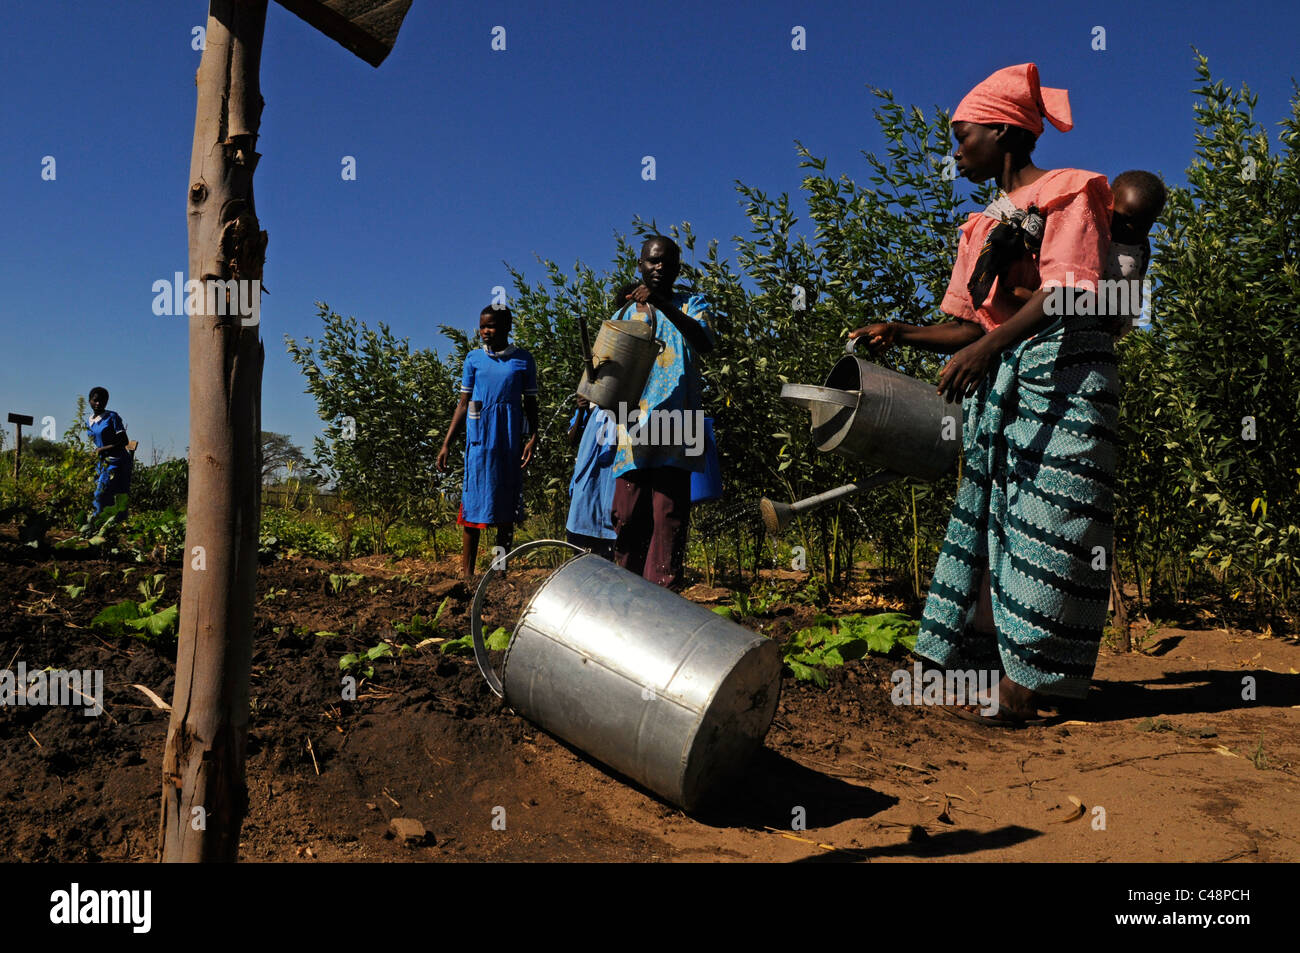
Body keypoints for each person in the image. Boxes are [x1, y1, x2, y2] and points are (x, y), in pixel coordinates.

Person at [851, 63, 1116, 724]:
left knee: (1054, 523)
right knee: (991, 520)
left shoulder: (1068, 192)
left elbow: (1068, 292)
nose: (956, 150)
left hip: (1066, 379)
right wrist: (904, 331)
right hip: (1008, 384)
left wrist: (986, 348)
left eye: (962, 135)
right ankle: (970, 659)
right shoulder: (981, 225)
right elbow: (971, 324)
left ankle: (1035, 682)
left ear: (1002, 131)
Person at [609, 236, 715, 589]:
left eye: (667, 263)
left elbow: (704, 342)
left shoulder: (692, 305)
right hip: (634, 423)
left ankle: (663, 597)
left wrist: (662, 305)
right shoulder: (624, 313)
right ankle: (625, 592)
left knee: (667, 514)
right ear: (640, 265)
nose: (659, 268)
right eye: (652, 262)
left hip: (678, 423)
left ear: (677, 269)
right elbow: (606, 367)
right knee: (627, 514)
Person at [437, 306, 538, 578]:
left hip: (508, 441)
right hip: (480, 441)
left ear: (507, 327)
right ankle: (467, 576)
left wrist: (533, 437)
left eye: (491, 326)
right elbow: (463, 403)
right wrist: (447, 444)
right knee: (473, 506)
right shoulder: (473, 359)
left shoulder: (523, 360)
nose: (485, 331)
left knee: (505, 510)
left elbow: (530, 403)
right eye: (482, 326)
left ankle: (499, 575)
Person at [1104, 169, 1167, 338]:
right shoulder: (1096, 232)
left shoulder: (1141, 248)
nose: (1130, 228)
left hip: (1115, 319)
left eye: (1142, 223)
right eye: (1124, 219)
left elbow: (1136, 282)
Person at [564, 394, 618, 559]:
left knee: (611, 520)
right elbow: (572, 439)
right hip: (589, 474)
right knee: (581, 519)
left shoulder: (624, 407)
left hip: (612, 472)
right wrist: (581, 411)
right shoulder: (592, 405)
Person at [86, 387, 132, 517]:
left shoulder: (112, 417)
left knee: (101, 494)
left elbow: (124, 440)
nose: (98, 403)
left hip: (117, 461)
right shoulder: (89, 421)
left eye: (102, 401)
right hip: (102, 462)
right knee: (103, 493)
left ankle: (97, 522)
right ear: (89, 401)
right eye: (95, 400)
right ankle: (106, 524)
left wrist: (102, 449)